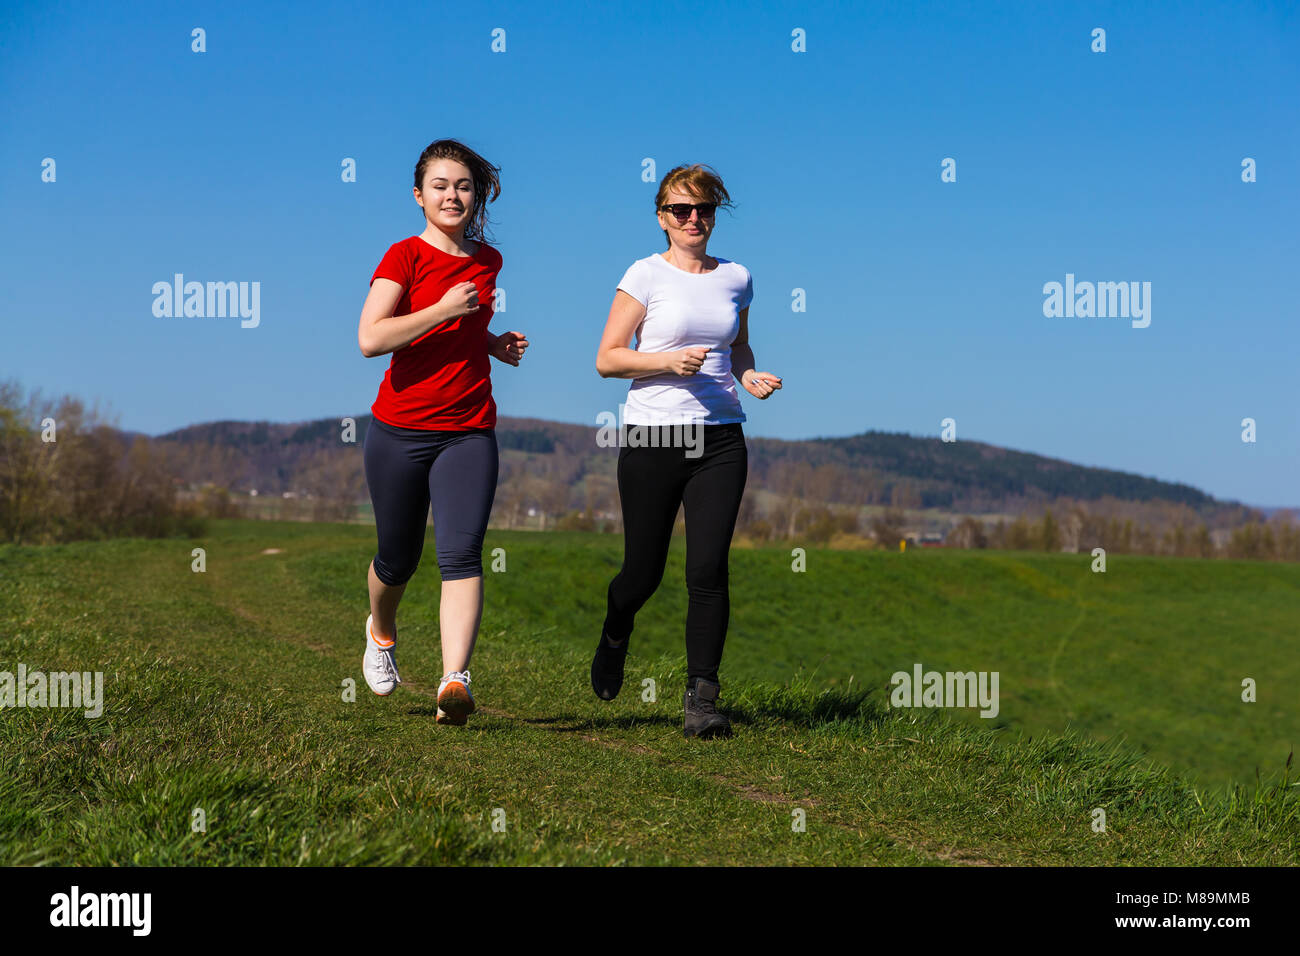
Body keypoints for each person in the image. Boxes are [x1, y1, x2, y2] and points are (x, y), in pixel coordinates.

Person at [593, 163, 782, 738]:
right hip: (653, 437)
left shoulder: (737, 278)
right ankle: (616, 626)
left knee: (707, 568)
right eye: (681, 210)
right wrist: (664, 362)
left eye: (703, 209)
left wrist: (748, 377)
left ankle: (702, 698)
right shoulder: (644, 276)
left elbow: (740, 347)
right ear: (662, 218)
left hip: (721, 437)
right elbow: (607, 357)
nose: (693, 219)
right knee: (643, 573)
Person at [355, 139, 527, 725]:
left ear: (475, 195)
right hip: (399, 428)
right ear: (418, 195)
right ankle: (381, 630)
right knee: (397, 558)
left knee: (462, 553)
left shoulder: (489, 260)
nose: (452, 195)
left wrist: (490, 342)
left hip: (469, 429)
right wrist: (443, 312)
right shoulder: (403, 256)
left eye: (463, 186)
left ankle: (455, 678)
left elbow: (464, 325)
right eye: (440, 185)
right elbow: (371, 338)